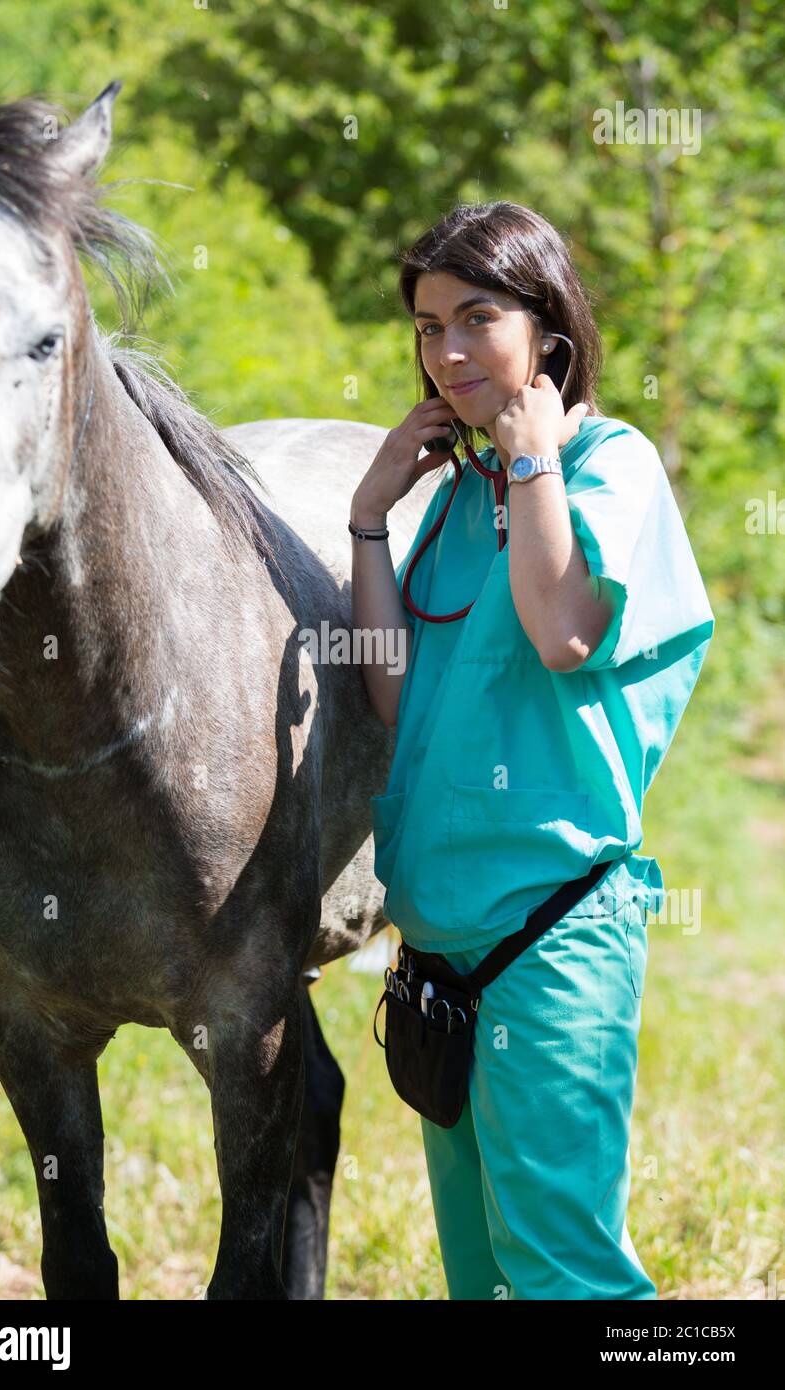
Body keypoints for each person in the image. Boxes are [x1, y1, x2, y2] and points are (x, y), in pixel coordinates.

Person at [349, 200, 715, 1301]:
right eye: (424, 326)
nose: (446, 351)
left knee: (563, 1272)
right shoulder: (458, 496)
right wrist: (370, 519)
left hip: (550, 940)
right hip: (441, 955)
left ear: (546, 332)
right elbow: (388, 691)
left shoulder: (610, 464)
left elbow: (562, 634)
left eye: (475, 318)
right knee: (483, 1277)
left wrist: (533, 463)